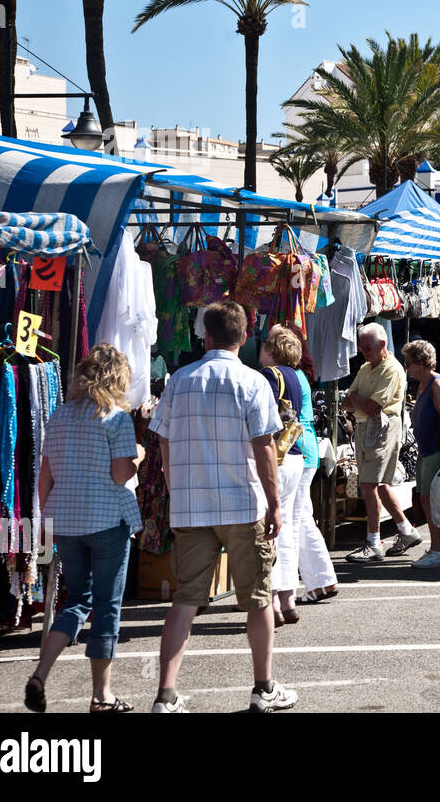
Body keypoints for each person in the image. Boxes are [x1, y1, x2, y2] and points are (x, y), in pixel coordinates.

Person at [149, 300, 294, 713]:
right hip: (242, 502)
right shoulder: (252, 383)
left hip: (191, 506)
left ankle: (166, 695)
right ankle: (263, 687)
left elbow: (163, 439)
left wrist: (177, 488)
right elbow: (265, 446)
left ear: (205, 336)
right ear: (246, 336)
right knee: (257, 599)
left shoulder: (178, 380)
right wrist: (274, 503)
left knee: (185, 601)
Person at [26, 344, 144, 713]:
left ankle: (40, 673)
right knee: (107, 606)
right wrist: (138, 454)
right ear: (118, 377)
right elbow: (121, 473)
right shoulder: (116, 418)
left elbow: (45, 476)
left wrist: (48, 517)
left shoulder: (59, 416)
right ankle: (101, 695)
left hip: (67, 520)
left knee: (76, 599)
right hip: (107, 519)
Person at [263, 325, 337, 606]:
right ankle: (318, 580)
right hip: (302, 446)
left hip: (292, 447)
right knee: (300, 516)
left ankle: (302, 584)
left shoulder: (282, 376)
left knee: (296, 518)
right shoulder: (298, 376)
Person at [344, 323, 423, 561]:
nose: (364, 352)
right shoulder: (366, 367)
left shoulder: (392, 369)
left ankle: (373, 541)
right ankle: (406, 530)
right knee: (380, 485)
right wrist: (357, 400)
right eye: (361, 348)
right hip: (366, 430)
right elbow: (347, 402)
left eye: (368, 347)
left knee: (369, 485)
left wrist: (356, 399)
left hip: (382, 430)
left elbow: (370, 407)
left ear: (382, 344)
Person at [258, 332, 312, 626]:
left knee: (270, 531)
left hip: (275, 456)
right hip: (293, 454)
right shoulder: (295, 376)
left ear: (270, 350)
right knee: (287, 529)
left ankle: (273, 601)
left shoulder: (269, 374)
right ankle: (288, 599)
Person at [401, 340, 440, 568]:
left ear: (420, 363)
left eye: (408, 363)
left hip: (436, 451)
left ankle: (436, 549)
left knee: (430, 500)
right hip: (428, 450)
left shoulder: (437, 384)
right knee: (436, 500)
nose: (406, 367)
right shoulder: (424, 384)